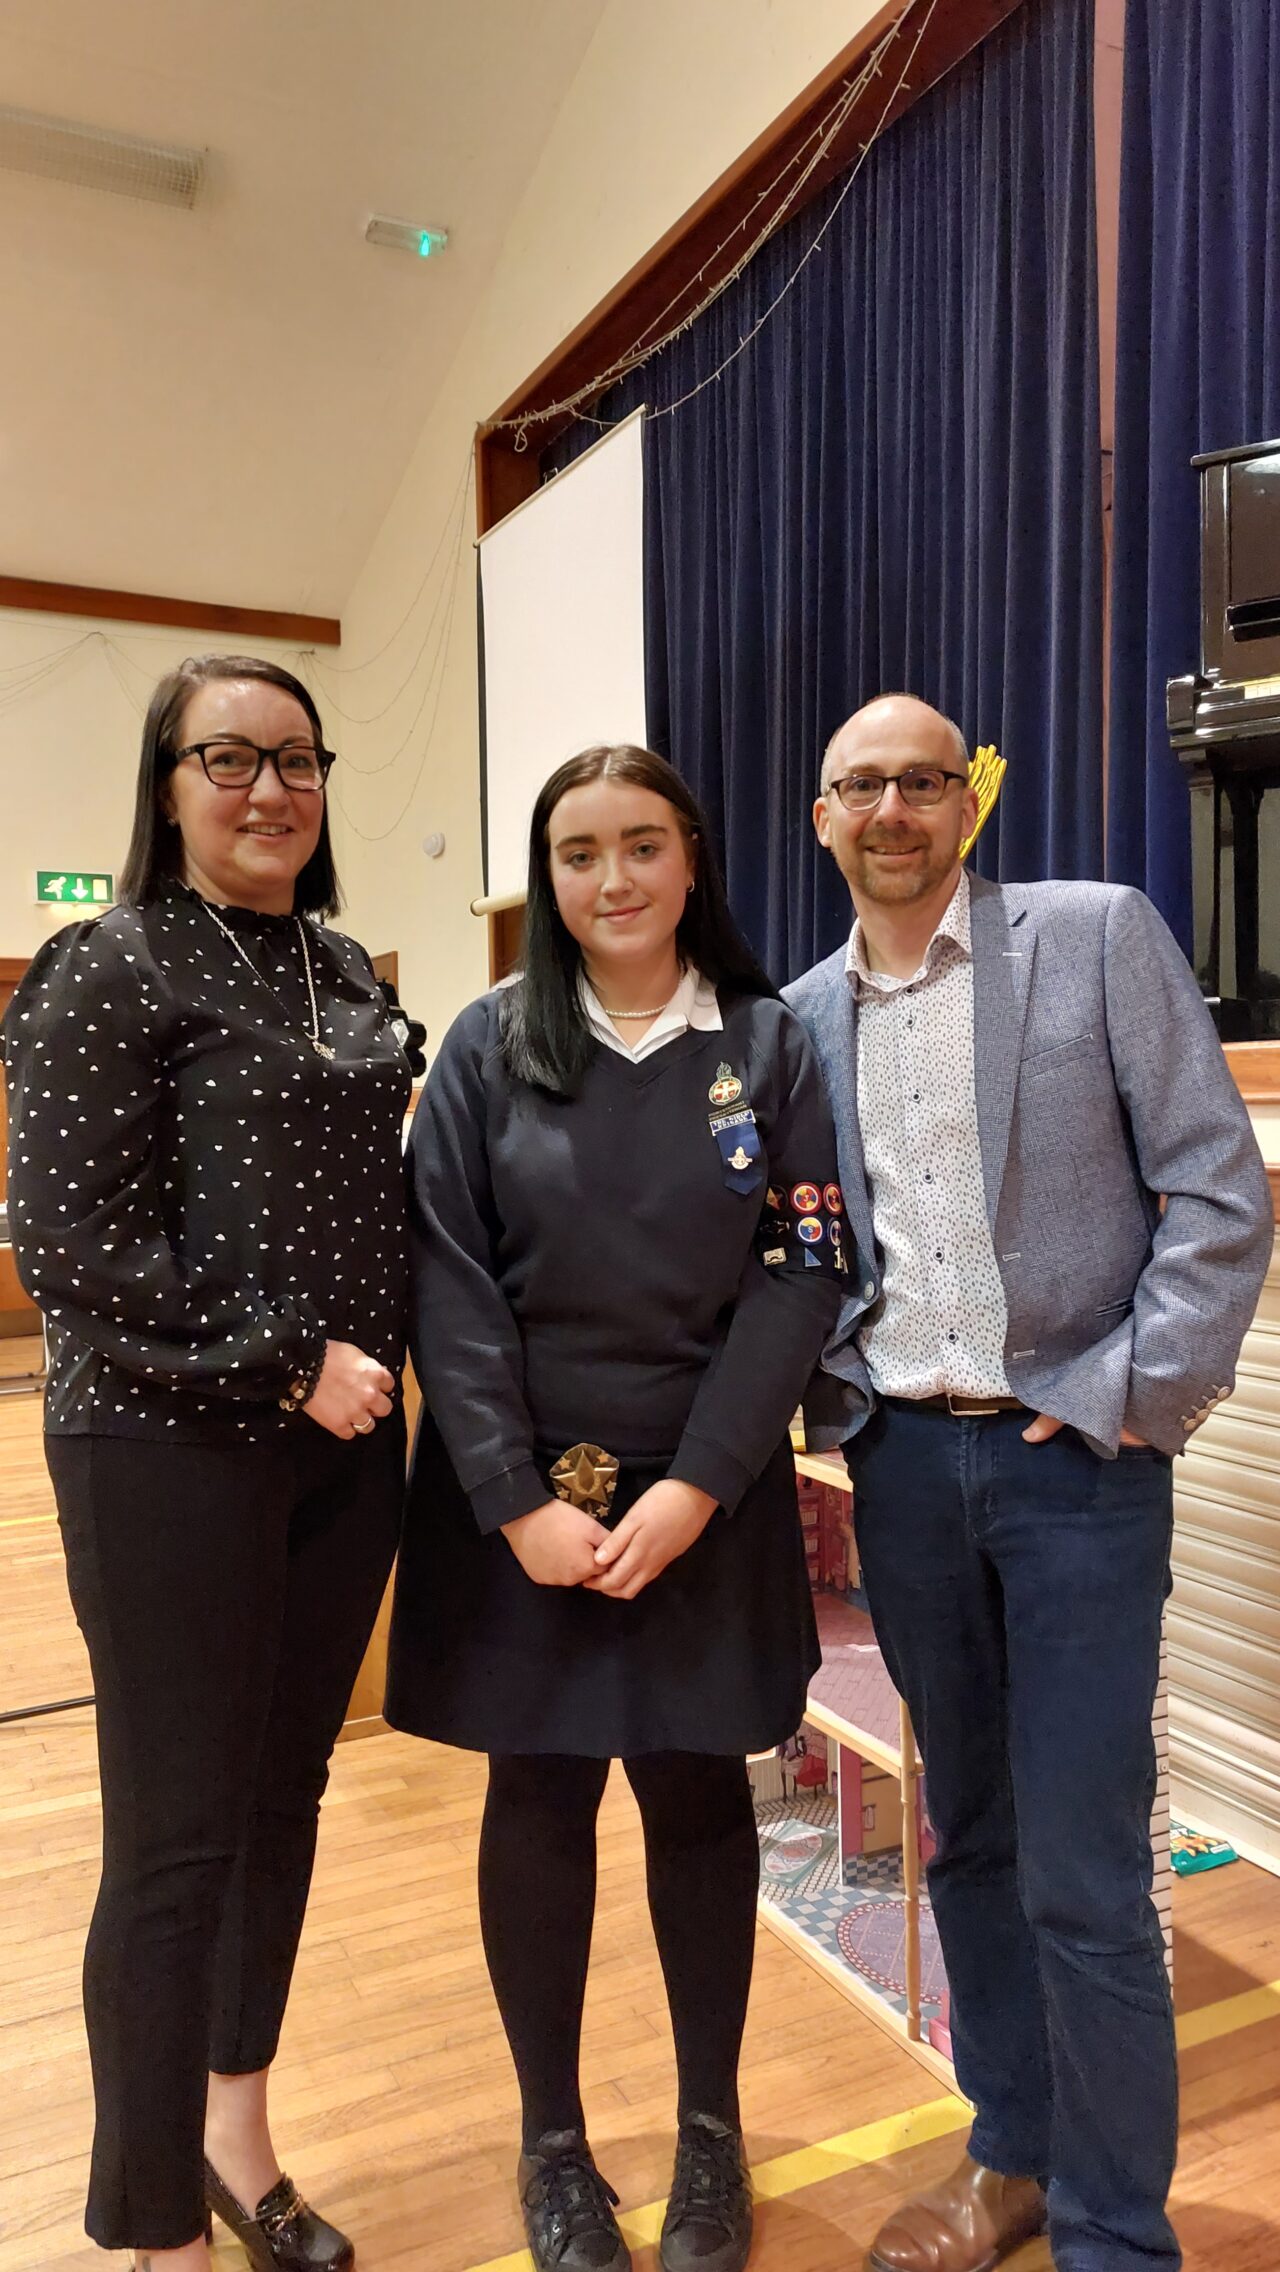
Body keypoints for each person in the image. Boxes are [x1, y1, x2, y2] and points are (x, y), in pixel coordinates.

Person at [783, 694, 1273, 2272]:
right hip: (906, 1471)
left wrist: (1137, 1397)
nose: (894, 812)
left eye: (923, 782)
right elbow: (797, 1247)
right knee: (968, 1843)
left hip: (1075, 1468)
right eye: (862, 786)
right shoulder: (794, 1019)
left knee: (1086, 1870)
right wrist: (826, 1401)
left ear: (966, 805)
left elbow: (1217, 1191)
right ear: (822, 818)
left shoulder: (1093, 937)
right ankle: (1012, 2157)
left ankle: (1119, 2233)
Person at [385, 744, 842, 2272]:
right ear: (550, 877)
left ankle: (711, 2142)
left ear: (693, 860)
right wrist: (514, 1502)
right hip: (528, 1509)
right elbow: (444, 1276)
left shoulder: (768, 1046)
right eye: (579, 854)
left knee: (701, 1803)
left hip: (702, 1497)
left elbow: (804, 1264)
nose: (613, 879)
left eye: (642, 846)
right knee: (541, 1803)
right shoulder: (484, 1046)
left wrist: (706, 1483)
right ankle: (555, 2151)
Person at [2, 655, 411, 2272]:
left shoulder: (337, 967)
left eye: (297, 759)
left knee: (280, 1804)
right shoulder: (104, 966)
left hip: (343, 1461)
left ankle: (235, 2136)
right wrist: (290, 1358)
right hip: (169, 1446)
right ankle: (153, 2225)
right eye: (227, 758)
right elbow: (68, 1244)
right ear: (167, 784)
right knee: (175, 1840)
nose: (269, 790)